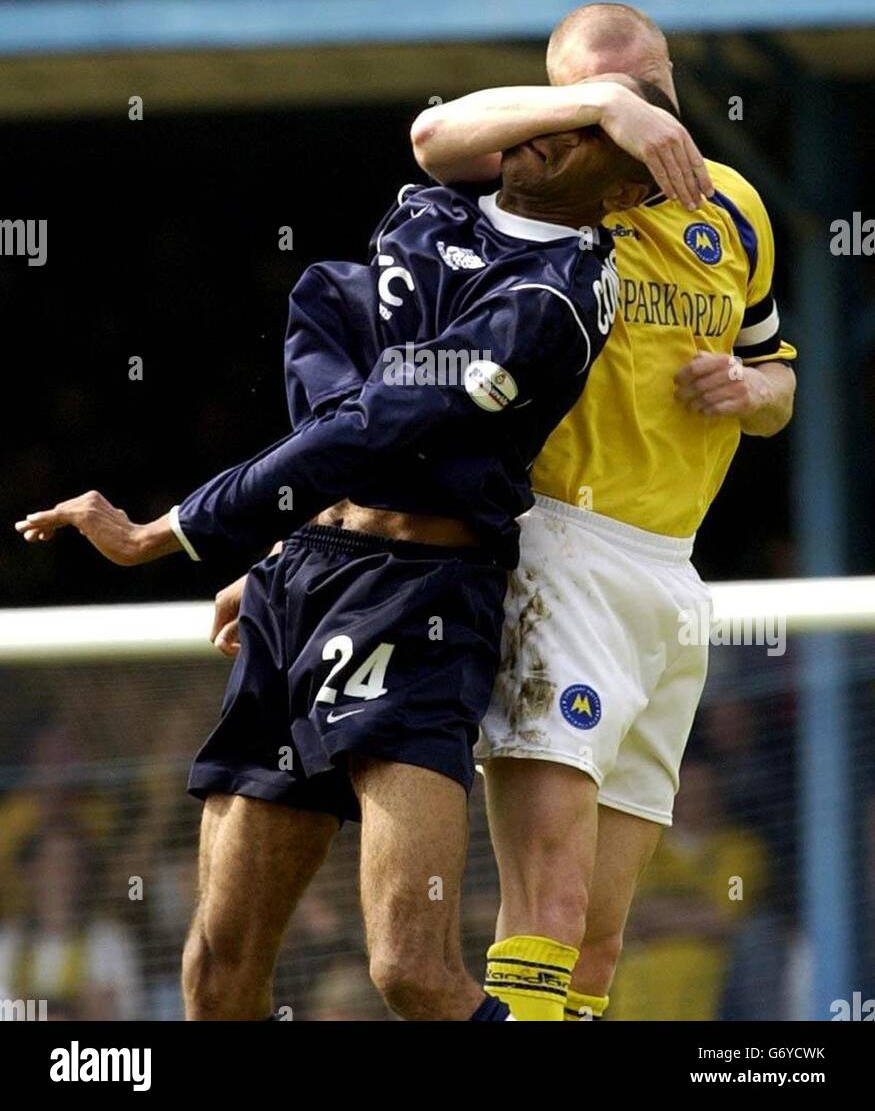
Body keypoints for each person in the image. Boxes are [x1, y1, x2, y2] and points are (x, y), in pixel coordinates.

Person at [16, 73, 705, 1022]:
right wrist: (597, 103)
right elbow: (416, 159)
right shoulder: (433, 202)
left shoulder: (558, 299)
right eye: (560, 114)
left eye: (591, 136)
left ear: (626, 192)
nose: (555, 134)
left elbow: (379, 422)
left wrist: (170, 530)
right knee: (215, 973)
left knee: (412, 974)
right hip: (300, 577)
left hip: (418, 599)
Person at [412, 1, 797, 1021]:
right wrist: (587, 111)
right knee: (552, 902)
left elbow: (779, 380)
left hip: (672, 577)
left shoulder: (736, 209)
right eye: (602, 90)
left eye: (645, 85)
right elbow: (430, 136)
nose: (636, 107)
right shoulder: (552, 184)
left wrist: (750, 390)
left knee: (599, 940)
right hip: (557, 553)